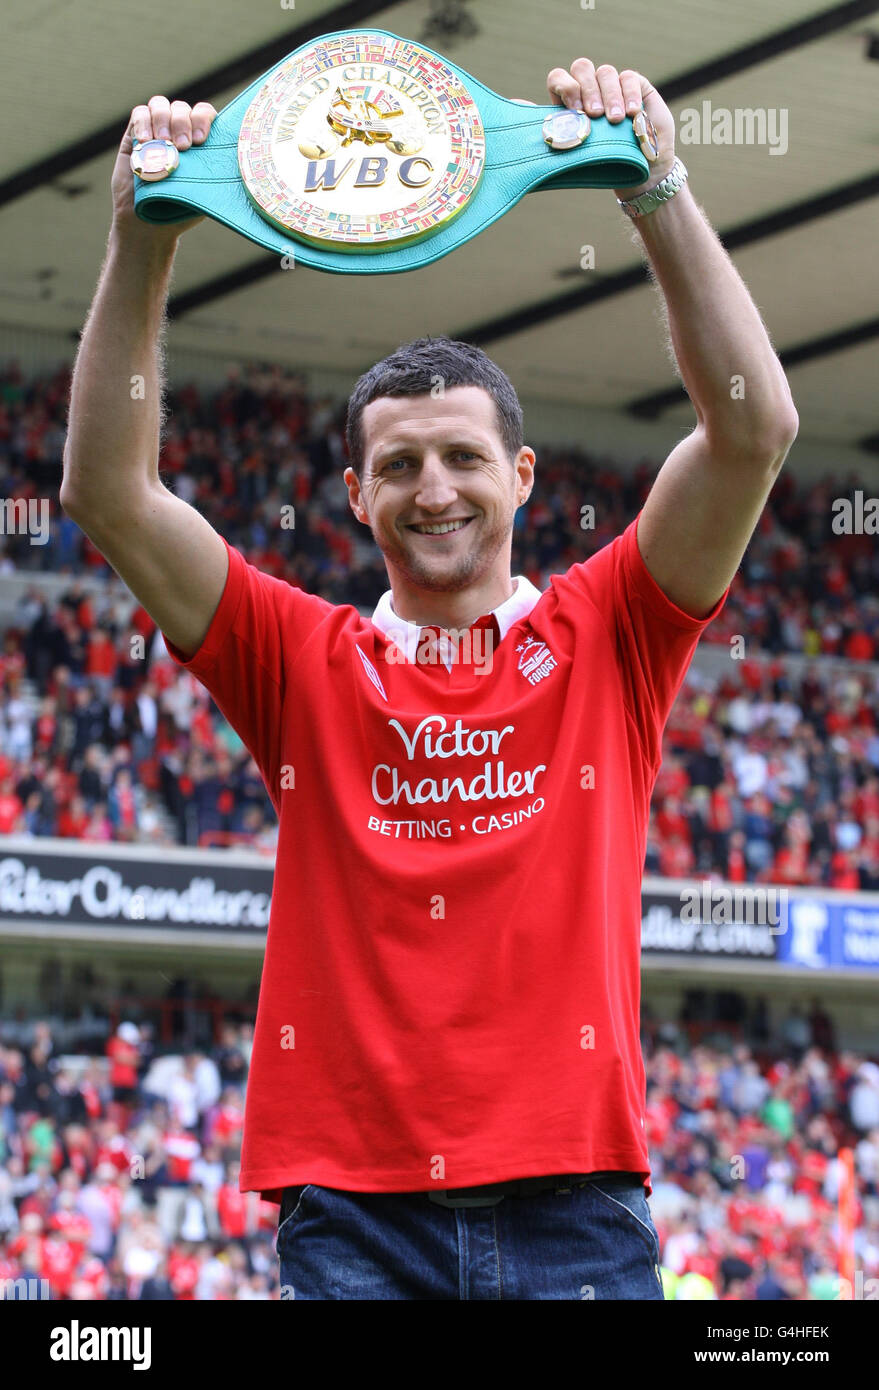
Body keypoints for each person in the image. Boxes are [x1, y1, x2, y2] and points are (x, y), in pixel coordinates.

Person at [60, 55, 798, 1300]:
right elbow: (106, 494)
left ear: (519, 479)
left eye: (462, 456)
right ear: (354, 496)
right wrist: (144, 237)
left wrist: (656, 186)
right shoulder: (297, 656)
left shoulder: (614, 626)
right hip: (354, 1218)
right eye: (398, 466)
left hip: (578, 1207)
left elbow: (755, 429)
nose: (435, 489)